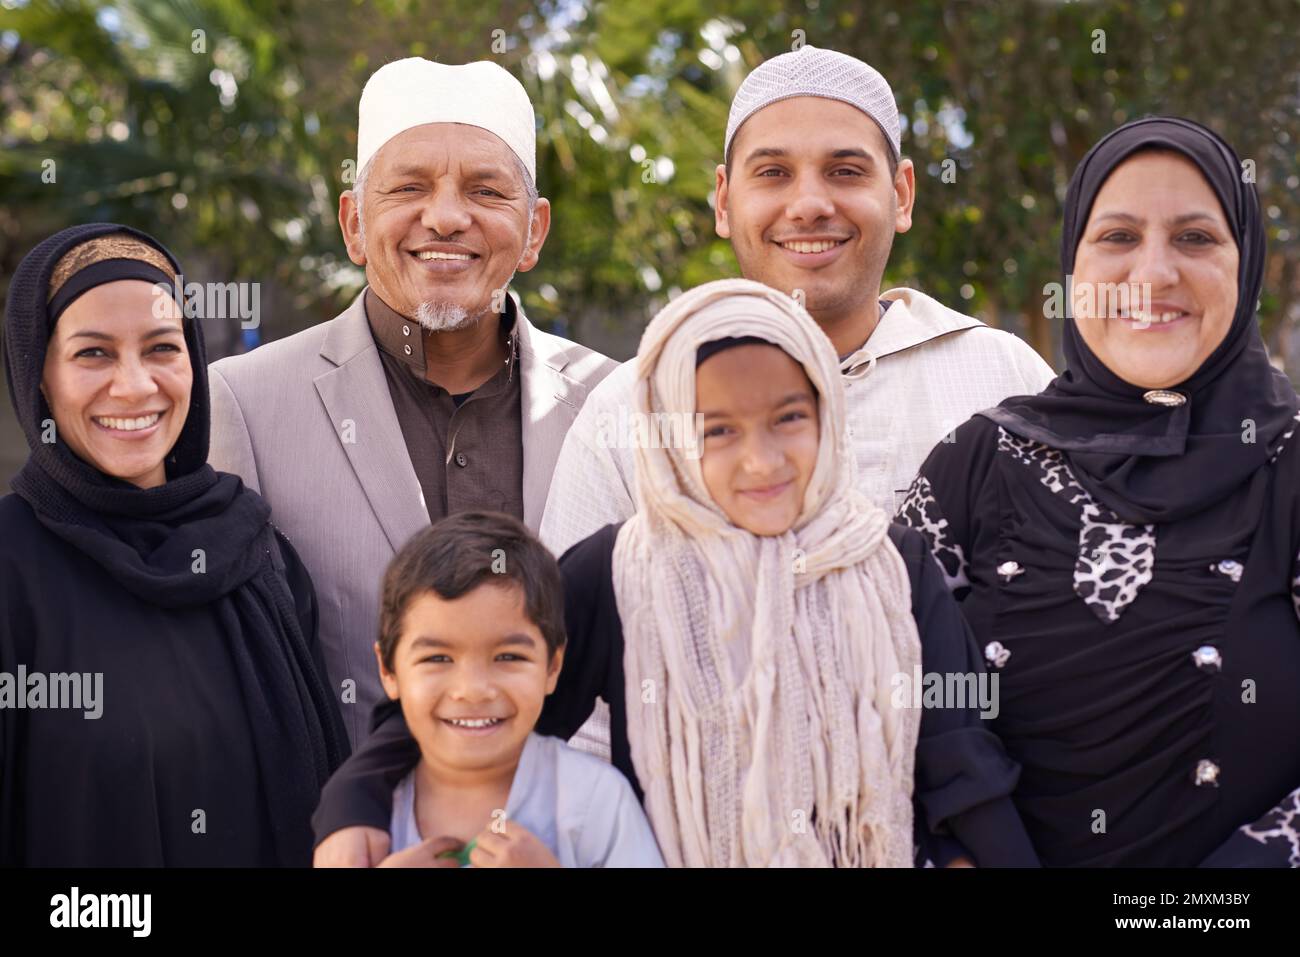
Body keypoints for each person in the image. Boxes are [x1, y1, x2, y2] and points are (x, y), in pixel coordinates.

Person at [312, 279, 1039, 868]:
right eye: (716, 429)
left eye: (789, 417)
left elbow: (956, 757)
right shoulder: (621, 571)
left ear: (826, 410)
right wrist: (352, 805)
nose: (761, 460)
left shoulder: (890, 563)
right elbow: (490, 677)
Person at [541, 45, 1055, 758]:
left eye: (846, 171)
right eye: (773, 173)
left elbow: (1062, 640)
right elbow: (572, 707)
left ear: (902, 194)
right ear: (724, 201)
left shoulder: (1001, 379)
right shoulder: (629, 411)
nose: (809, 203)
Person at [897, 116, 1300, 867]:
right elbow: (885, 688)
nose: (1152, 274)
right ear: (1072, 265)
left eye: (1195, 237)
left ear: (1247, 266)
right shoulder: (975, 462)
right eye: (1116, 237)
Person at [207, 57, 617, 747]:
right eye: (409, 187)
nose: (448, 217)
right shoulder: (244, 402)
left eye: (486, 190)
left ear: (536, 231)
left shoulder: (617, 403)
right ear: (354, 224)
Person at [0, 223, 347, 866]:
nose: (134, 386)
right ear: (39, 376)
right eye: (93, 354)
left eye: (161, 347)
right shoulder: (12, 570)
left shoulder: (258, 553)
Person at [351, 511, 663, 868]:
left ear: (553, 666)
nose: (473, 691)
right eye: (438, 658)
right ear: (389, 670)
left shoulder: (594, 801)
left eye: (508, 656)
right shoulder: (366, 822)